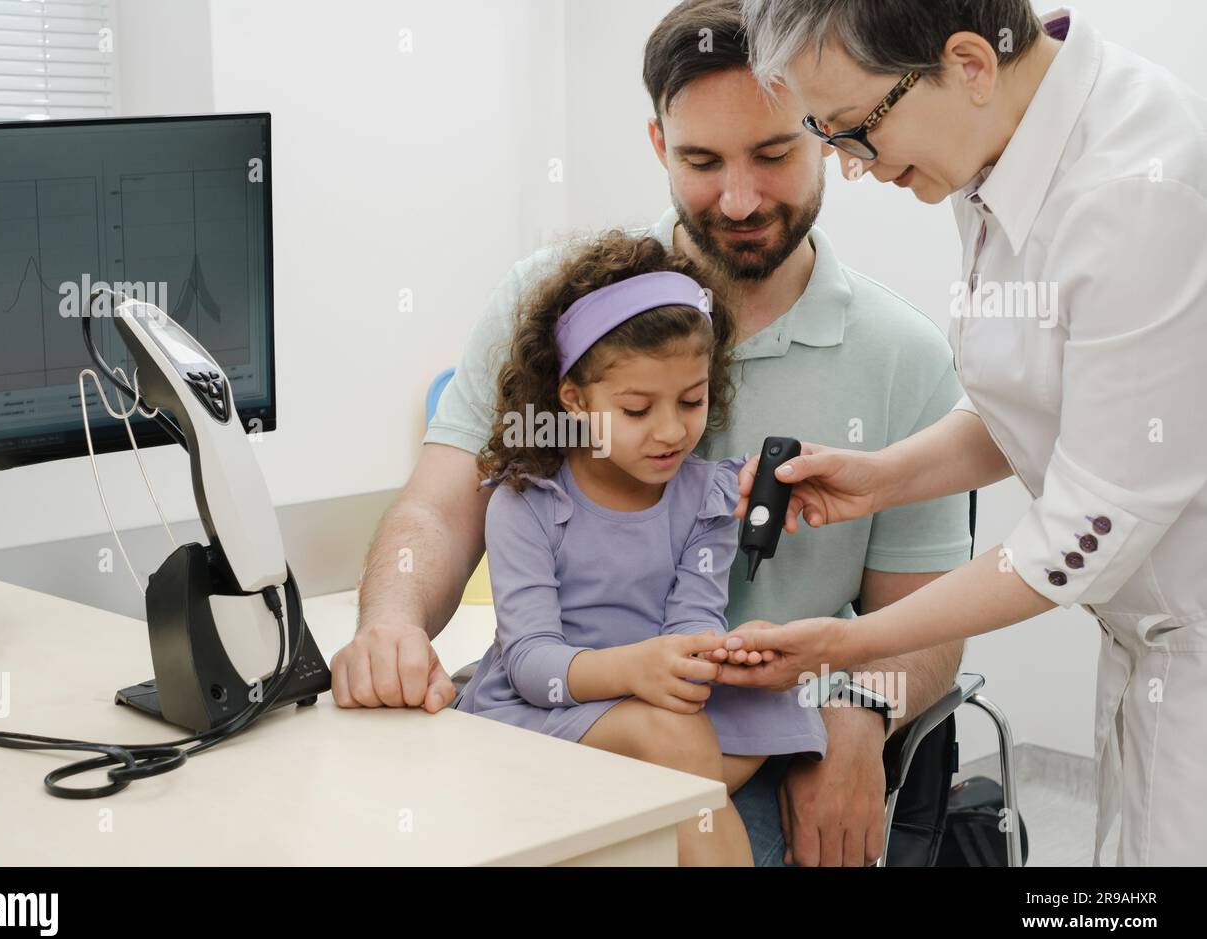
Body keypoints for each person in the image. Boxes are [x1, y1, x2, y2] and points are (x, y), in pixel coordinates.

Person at [332, 0, 973, 867]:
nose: (740, 199)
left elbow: (926, 620)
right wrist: (392, 621)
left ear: (826, 132)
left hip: (760, 756)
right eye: (701, 160)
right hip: (559, 720)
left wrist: (861, 712)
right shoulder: (553, 306)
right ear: (656, 144)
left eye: (775, 153)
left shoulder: (905, 357)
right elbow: (440, 515)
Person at [723, 0, 1207, 865]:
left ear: (970, 64)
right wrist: (883, 476)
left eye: (854, 132)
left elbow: (1085, 531)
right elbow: (1033, 400)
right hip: (1148, 639)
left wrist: (853, 646)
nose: (855, 169)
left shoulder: (1137, 196)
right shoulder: (1002, 150)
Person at [455, 230, 826, 866]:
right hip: (552, 702)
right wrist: (636, 671)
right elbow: (532, 661)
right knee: (673, 737)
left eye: (692, 401)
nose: (671, 431)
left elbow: (692, 619)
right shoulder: (526, 505)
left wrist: (716, 653)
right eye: (635, 410)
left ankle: (644, 808)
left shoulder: (708, 498)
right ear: (574, 400)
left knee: (773, 703)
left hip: (652, 698)